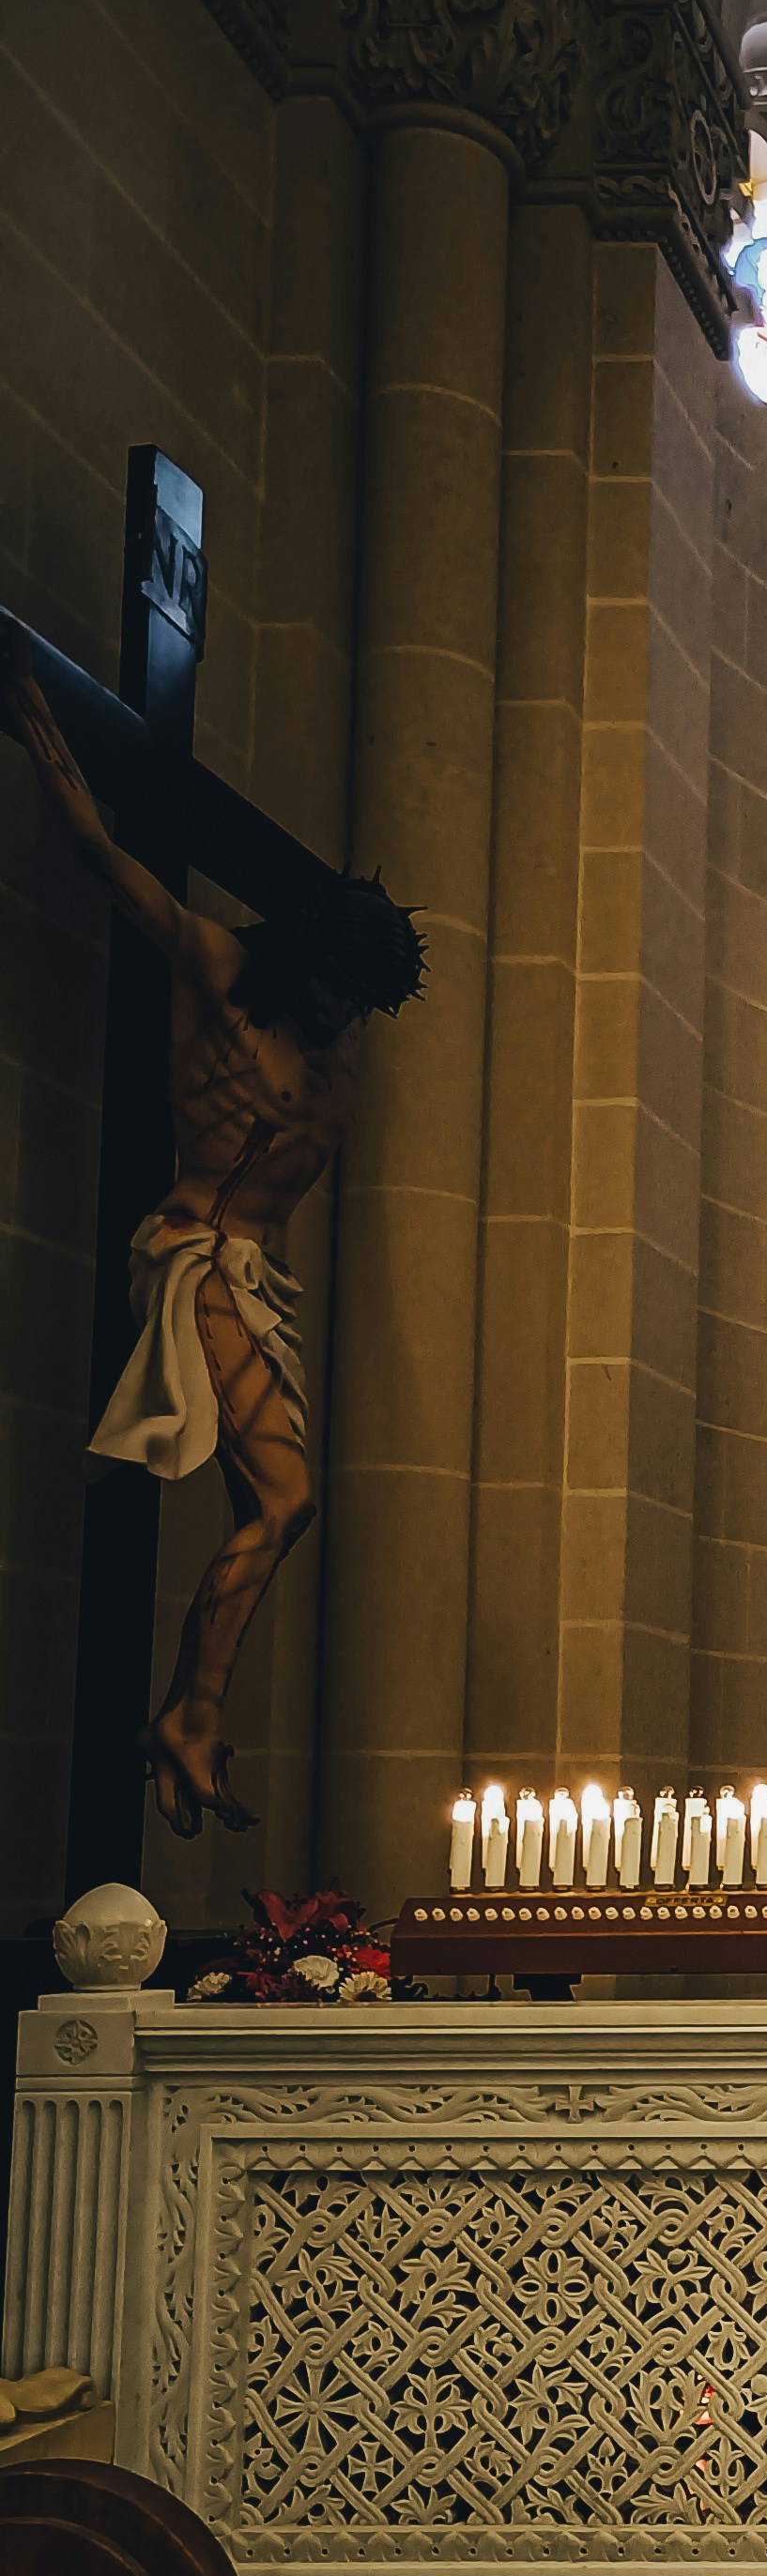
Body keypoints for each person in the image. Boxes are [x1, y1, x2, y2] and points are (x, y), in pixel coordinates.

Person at [4, 618, 423, 1836]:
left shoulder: (342, 1080)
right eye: (340, 984)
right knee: (285, 1502)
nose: (345, 1010)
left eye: (365, 1002)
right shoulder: (217, 971)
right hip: (191, 1261)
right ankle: (188, 1717)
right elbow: (95, 855)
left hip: (257, 1289)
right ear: (309, 952)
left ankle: (190, 1713)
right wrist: (39, 712)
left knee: (286, 1506)